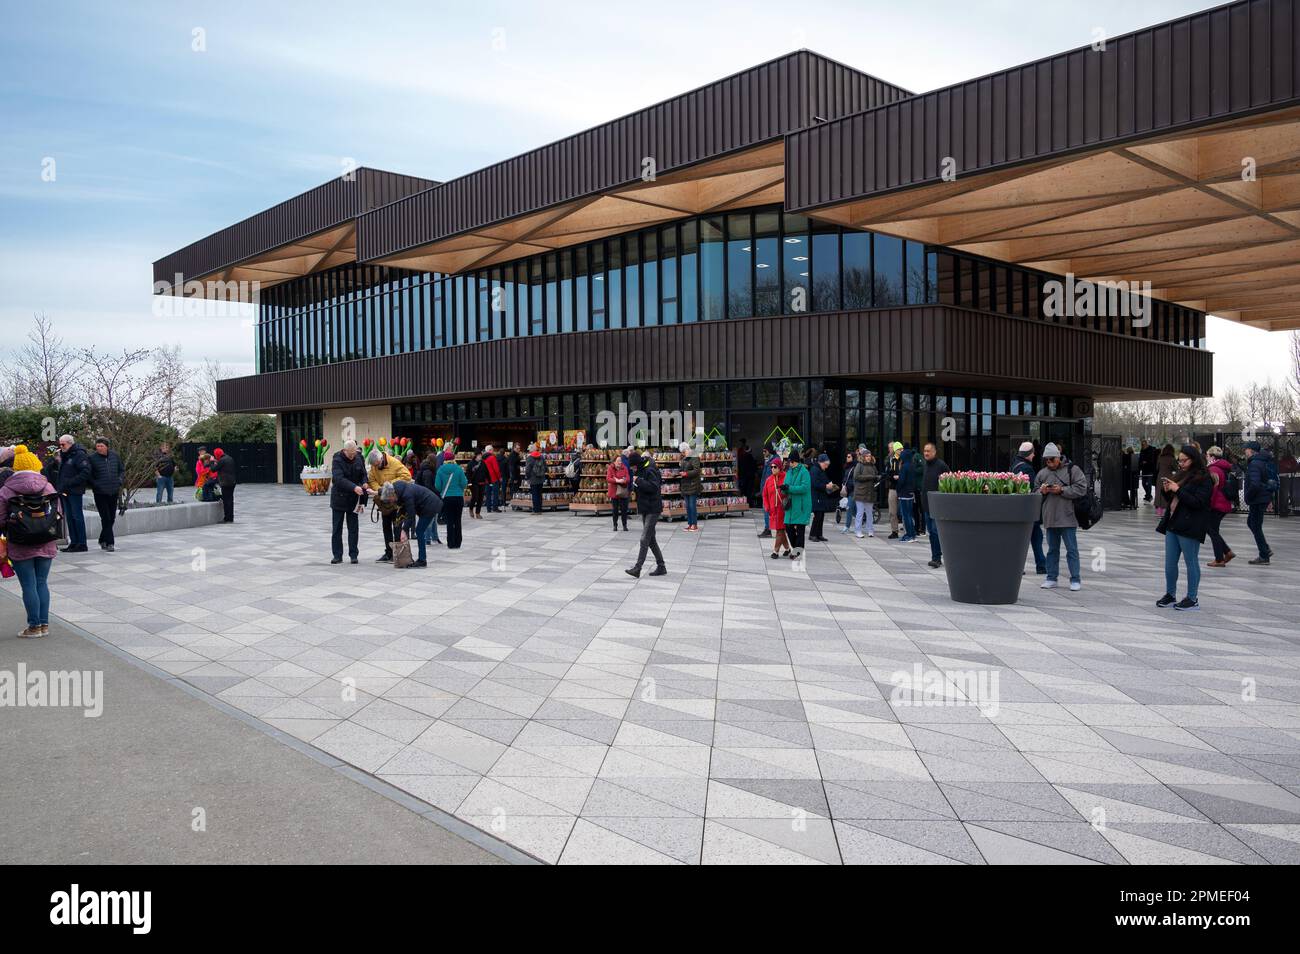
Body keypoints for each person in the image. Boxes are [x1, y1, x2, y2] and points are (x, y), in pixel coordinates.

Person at [0, 445, 61, 637]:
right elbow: (58, 513)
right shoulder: (48, 486)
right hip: (46, 540)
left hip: (20, 543)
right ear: (36, 466)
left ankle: (33, 626)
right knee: (42, 582)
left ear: (16, 468)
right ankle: (44, 625)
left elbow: (1, 519)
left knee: (28, 585)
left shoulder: (6, 489)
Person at [1157, 445, 1213, 610]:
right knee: (1170, 563)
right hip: (1173, 522)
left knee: (1191, 561)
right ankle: (1170, 594)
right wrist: (1167, 491)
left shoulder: (1204, 478)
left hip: (1190, 524)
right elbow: (1174, 499)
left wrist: (1178, 489)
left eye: (1184, 460)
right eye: (1179, 460)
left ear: (1194, 459)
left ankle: (1192, 597)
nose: (1181, 463)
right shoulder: (1181, 474)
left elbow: (1198, 502)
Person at [1035, 442, 1086, 591]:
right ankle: (1051, 577)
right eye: (1046, 460)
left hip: (1068, 517)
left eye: (1051, 459)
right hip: (1050, 517)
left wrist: (1062, 490)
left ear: (1058, 457)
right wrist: (1042, 491)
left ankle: (1075, 579)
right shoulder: (1042, 473)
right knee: (1052, 550)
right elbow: (1034, 492)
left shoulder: (1073, 470)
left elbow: (1081, 489)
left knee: (1072, 550)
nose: (1049, 463)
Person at [382, 478, 443, 568]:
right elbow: (402, 511)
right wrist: (399, 525)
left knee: (419, 531)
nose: (391, 501)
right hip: (426, 506)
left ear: (392, 494)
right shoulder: (400, 491)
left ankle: (422, 560)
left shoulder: (407, 494)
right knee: (419, 531)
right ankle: (422, 559)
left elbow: (411, 514)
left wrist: (404, 530)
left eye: (390, 499)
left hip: (430, 506)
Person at [625, 451, 667, 578]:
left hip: (653, 509)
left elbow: (654, 487)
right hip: (645, 508)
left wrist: (640, 481)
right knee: (651, 540)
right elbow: (640, 486)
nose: (631, 468)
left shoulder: (650, 470)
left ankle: (637, 568)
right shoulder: (639, 470)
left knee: (644, 539)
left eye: (632, 466)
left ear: (637, 464)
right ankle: (661, 566)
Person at [329, 439, 370, 564]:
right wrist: (354, 487)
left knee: (353, 528)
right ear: (345, 450)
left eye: (354, 453)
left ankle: (353, 555)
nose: (353, 456)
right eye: (350, 454)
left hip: (354, 499)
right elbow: (338, 479)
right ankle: (337, 555)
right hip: (339, 499)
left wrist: (364, 482)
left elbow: (363, 473)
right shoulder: (337, 459)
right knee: (337, 528)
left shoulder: (359, 457)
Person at [367, 448, 412, 562]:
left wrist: (387, 487)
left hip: (396, 501)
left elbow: (407, 476)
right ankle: (388, 553)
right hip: (384, 503)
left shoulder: (394, 462)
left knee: (397, 528)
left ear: (381, 459)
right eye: (374, 465)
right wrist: (380, 491)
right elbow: (371, 480)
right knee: (386, 527)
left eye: (378, 464)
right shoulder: (373, 466)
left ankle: (398, 553)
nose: (376, 467)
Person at [1012, 441, 1047, 574]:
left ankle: (1039, 565)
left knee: (1031, 537)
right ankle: (1040, 566)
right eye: (1032, 453)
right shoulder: (1027, 468)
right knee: (1035, 538)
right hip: (1027, 510)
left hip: (1019, 510)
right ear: (1028, 454)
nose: (1034, 455)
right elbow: (1032, 489)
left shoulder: (1014, 464)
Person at [55, 433, 90, 552]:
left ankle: (81, 543)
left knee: (77, 516)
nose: (61, 446)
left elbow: (85, 472)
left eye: (63, 444)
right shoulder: (65, 455)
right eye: (59, 444)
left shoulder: (79, 454)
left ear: (70, 443)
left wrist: (70, 482)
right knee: (69, 517)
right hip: (65, 490)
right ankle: (74, 542)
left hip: (74, 490)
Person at [89, 437, 124, 552]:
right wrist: (95, 484)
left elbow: (121, 470)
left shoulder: (115, 456)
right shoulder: (92, 458)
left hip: (113, 491)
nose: (99, 448)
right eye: (97, 446)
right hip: (100, 493)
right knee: (106, 517)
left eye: (101, 446)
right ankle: (110, 543)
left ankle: (102, 539)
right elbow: (88, 474)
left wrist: (119, 480)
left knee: (112, 517)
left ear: (107, 446)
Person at [1242, 440, 1275, 565]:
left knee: (1255, 525)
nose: (1244, 452)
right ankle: (1265, 549)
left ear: (1251, 450)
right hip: (1261, 498)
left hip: (1257, 499)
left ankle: (1264, 555)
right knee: (1251, 523)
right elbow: (1266, 481)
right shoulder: (1262, 462)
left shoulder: (1255, 464)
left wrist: (1248, 497)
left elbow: (1255, 484)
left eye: (1246, 449)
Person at [1204, 445, 1236, 568]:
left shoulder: (1213, 469)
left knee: (1212, 530)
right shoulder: (1222, 467)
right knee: (1212, 530)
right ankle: (1227, 552)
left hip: (1217, 504)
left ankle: (1220, 559)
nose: (1206, 458)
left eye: (1207, 456)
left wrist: (1209, 505)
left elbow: (1213, 489)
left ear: (1212, 456)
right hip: (1223, 503)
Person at [921, 442, 949, 568]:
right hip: (927, 504)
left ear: (934, 452)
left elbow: (949, 482)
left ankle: (937, 558)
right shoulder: (925, 465)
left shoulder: (941, 465)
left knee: (935, 531)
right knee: (932, 533)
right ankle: (936, 556)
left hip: (937, 505)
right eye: (925, 451)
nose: (926, 453)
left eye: (928, 451)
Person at [435, 449, 467, 548]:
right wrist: (459, 489)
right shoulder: (458, 469)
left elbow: (437, 486)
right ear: (453, 458)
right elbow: (464, 483)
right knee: (457, 520)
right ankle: (458, 542)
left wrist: (443, 490)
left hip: (447, 498)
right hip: (458, 498)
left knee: (449, 521)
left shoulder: (440, 469)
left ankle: (450, 542)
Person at [782, 452, 812, 558]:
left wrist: (789, 488)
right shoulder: (789, 472)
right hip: (791, 505)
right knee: (788, 527)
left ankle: (797, 551)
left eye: (792, 461)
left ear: (797, 461)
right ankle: (797, 549)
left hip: (802, 505)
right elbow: (786, 485)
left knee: (800, 528)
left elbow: (804, 488)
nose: (790, 464)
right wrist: (784, 489)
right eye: (789, 461)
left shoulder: (804, 472)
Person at [762, 456, 790, 558]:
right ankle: (787, 548)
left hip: (783, 509)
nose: (772, 469)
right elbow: (764, 494)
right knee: (781, 530)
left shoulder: (786, 477)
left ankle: (775, 551)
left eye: (775, 467)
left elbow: (789, 492)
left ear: (779, 467)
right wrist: (766, 506)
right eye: (771, 467)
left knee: (779, 530)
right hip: (773, 510)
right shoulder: (769, 480)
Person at [414, 452, 443, 546]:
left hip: (424, 496)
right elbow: (428, 486)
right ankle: (427, 538)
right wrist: (438, 492)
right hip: (427, 497)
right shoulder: (428, 471)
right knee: (430, 519)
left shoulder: (426, 469)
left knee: (433, 518)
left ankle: (434, 537)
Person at [809, 453, 838, 542]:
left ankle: (819, 534)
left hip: (821, 496)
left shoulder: (821, 470)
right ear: (821, 462)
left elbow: (825, 480)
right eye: (826, 465)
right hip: (816, 496)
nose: (826, 467)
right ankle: (813, 534)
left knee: (821, 515)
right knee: (817, 516)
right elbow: (815, 484)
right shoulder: (814, 470)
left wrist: (831, 484)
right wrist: (826, 486)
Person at [851, 449, 878, 538]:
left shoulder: (873, 466)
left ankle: (870, 530)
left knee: (870, 512)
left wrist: (877, 477)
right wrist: (870, 477)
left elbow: (875, 476)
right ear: (863, 457)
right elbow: (856, 476)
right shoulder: (859, 465)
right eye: (866, 456)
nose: (868, 458)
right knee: (860, 512)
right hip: (860, 492)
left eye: (869, 456)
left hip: (870, 492)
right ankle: (858, 530)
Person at [894, 446, 917, 542]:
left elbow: (901, 481)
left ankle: (908, 535)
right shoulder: (912, 465)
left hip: (904, 493)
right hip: (911, 493)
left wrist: (898, 490)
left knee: (905, 515)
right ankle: (913, 534)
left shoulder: (904, 467)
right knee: (910, 515)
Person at [678, 442, 702, 531]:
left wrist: (686, 473)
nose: (683, 454)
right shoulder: (684, 458)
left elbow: (697, 470)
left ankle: (694, 525)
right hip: (685, 485)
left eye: (684, 452)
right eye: (682, 452)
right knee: (688, 506)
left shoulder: (694, 458)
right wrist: (678, 472)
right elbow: (682, 470)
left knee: (692, 505)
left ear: (687, 450)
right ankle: (690, 524)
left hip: (693, 484)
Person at [606, 452, 631, 532]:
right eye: (618, 461)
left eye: (620, 461)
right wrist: (616, 480)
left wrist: (622, 481)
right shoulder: (610, 468)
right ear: (614, 461)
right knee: (615, 510)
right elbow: (608, 478)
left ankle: (624, 525)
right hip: (614, 492)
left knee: (624, 510)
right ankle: (615, 525)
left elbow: (628, 479)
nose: (620, 462)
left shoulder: (624, 468)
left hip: (623, 491)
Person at [884, 441, 903, 538]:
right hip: (893, 488)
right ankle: (894, 531)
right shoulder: (890, 460)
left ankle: (908, 530)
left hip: (903, 488)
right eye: (899, 449)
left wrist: (900, 477)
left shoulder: (904, 460)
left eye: (901, 449)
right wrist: (893, 477)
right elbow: (888, 473)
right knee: (892, 511)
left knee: (904, 511)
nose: (901, 451)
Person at [1153, 444, 1177, 515]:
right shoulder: (1172, 459)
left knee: (1159, 493)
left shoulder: (1160, 457)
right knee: (1167, 493)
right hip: (1168, 477)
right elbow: (1176, 468)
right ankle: (1166, 509)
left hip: (1160, 477)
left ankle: (1159, 510)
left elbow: (1157, 467)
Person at [214, 447, 237, 522]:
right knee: (230, 500)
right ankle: (231, 518)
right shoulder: (229, 458)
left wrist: (211, 462)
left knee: (226, 501)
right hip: (232, 482)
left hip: (225, 483)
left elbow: (213, 469)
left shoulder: (222, 460)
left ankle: (227, 518)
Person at [757, 446, 774, 539]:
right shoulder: (768, 460)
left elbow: (769, 476)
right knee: (766, 509)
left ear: (769, 451)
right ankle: (768, 528)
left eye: (765, 451)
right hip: (766, 489)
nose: (763, 453)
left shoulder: (773, 461)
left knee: (767, 509)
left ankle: (769, 529)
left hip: (769, 490)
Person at [838, 451, 857, 533]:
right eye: (847, 456)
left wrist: (848, 485)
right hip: (848, 490)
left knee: (849, 507)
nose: (847, 458)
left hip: (853, 490)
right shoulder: (847, 467)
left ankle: (847, 526)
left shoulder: (855, 467)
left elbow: (854, 480)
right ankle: (862, 521)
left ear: (853, 457)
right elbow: (846, 478)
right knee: (854, 509)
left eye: (849, 457)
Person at [525, 444, 547, 513]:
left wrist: (527, 477)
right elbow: (545, 468)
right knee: (539, 494)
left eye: (529, 450)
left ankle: (535, 510)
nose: (529, 451)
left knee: (534, 494)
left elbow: (527, 470)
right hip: (541, 479)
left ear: (532, 450)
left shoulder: (530, 458)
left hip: (533, 479)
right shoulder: (541, 457)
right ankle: (539, 509)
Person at [468, 450, 488, 519]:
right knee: (475, 497)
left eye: (481, 455)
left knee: (480, 498)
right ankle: (471, 509)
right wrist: (469, 482)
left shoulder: (483, 463)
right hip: (473, 483)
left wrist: (490, 481)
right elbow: (468, 474)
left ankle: (477, 513)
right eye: (479, 455)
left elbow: (486, 472)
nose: (481, 456)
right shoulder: (471, 463)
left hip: (482, 483)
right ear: (476, 456)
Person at [737, 439, 757, 506]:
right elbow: (754, 467)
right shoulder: (749, 457)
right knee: (748, 491)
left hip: (745, 476)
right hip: (749, 476)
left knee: (744, 490)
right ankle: (749, 503)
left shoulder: (742, 455)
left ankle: (745, 503)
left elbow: (741, 466)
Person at [483, 445, 502, 513]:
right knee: (495, 493)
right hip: (493, 478)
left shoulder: (483, 458)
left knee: (487, 494)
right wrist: (499, 477)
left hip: (486, 479)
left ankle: (488, 508)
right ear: (490, 450)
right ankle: (495, 507)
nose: (493, 451)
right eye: (492, 450)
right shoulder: (492, 457)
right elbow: (496, 469)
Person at [1138, 439, 1158, 503]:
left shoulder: (1151, 450)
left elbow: (1152, 460)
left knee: (1149, 483)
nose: (1143, 446)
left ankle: (1148, 496)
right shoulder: (1142, 450)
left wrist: (1146, 462)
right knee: (1144, 483)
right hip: (1144, 469)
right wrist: (1141, 464)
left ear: (1146, 444)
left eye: (1144, 444)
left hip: (1150, 469)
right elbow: (1140, 459)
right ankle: (1148, 494)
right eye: (1142, 444)